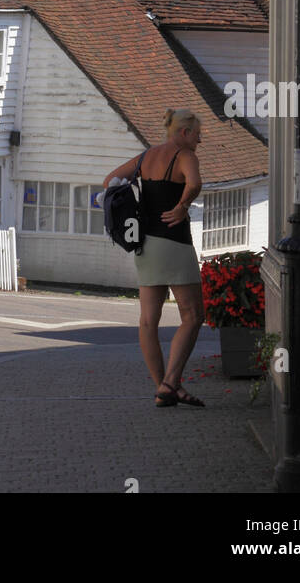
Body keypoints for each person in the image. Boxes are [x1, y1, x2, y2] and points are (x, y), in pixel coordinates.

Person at [102, 107, 205, 407]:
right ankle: (171, 382)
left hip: (144, 244)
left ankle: (164, 389)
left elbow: (109, 180)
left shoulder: (146, 157)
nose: (200, 141)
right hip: (174, 242)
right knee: (193, 315)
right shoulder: (185, 156)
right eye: (197, 135)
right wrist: (183, 205)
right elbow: (195, 183)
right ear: (184, 133)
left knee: (148, 321)